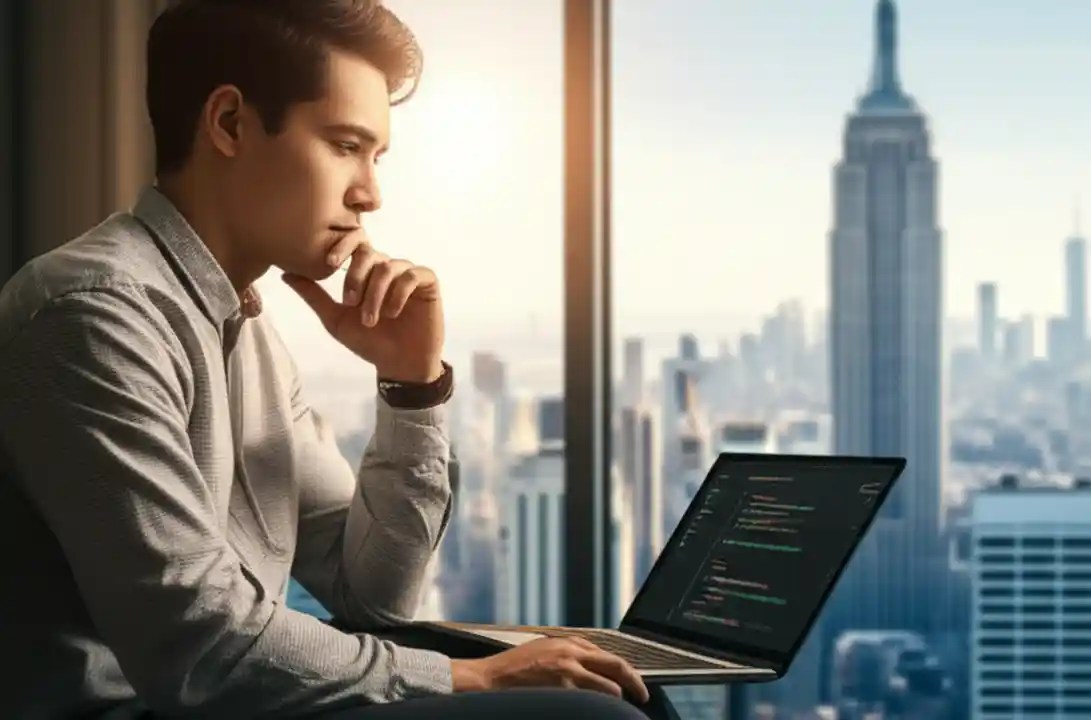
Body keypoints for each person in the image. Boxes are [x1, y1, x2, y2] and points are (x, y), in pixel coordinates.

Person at [0, 1, 678, 718]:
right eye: (345, 145)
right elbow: (198, 649)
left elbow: (373, 597)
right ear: (229, 123)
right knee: (592, 714)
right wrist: (475, 678)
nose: (370, 194)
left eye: (375, 157)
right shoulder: (96, 315)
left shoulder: (249, 332)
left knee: (621, 687)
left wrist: (411, 386)